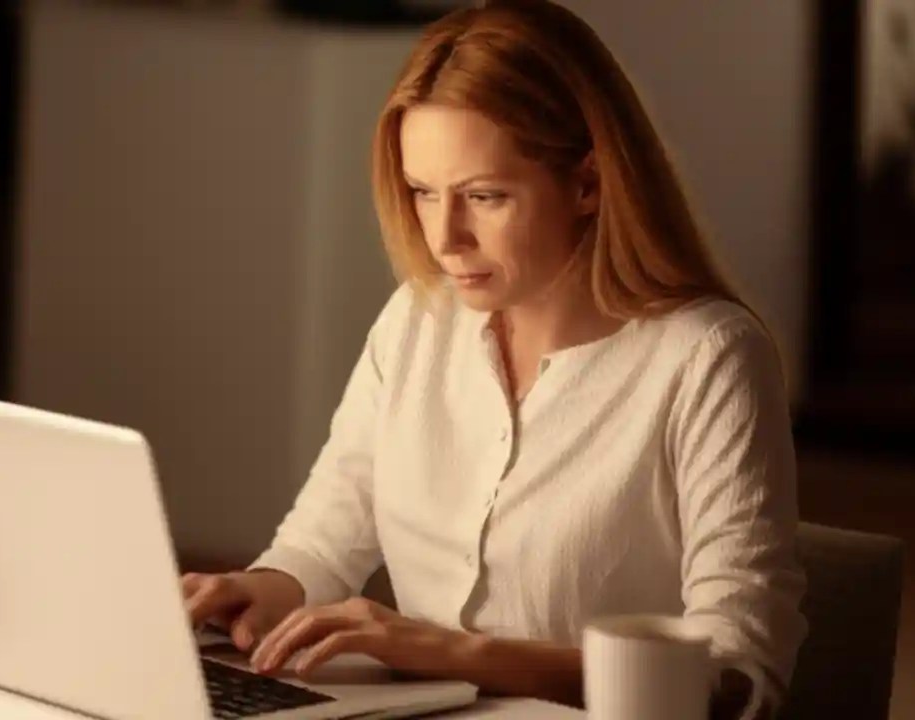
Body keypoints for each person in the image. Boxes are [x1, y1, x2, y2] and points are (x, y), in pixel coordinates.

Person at [182, 1, 807, 717]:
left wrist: (453, 653)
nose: (445, 238)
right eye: (422, 192)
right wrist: (263, 587)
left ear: (587, 184)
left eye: (484, 197)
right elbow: (325, 542)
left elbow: (739, 674)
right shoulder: (417, 322)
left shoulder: (708, 360)